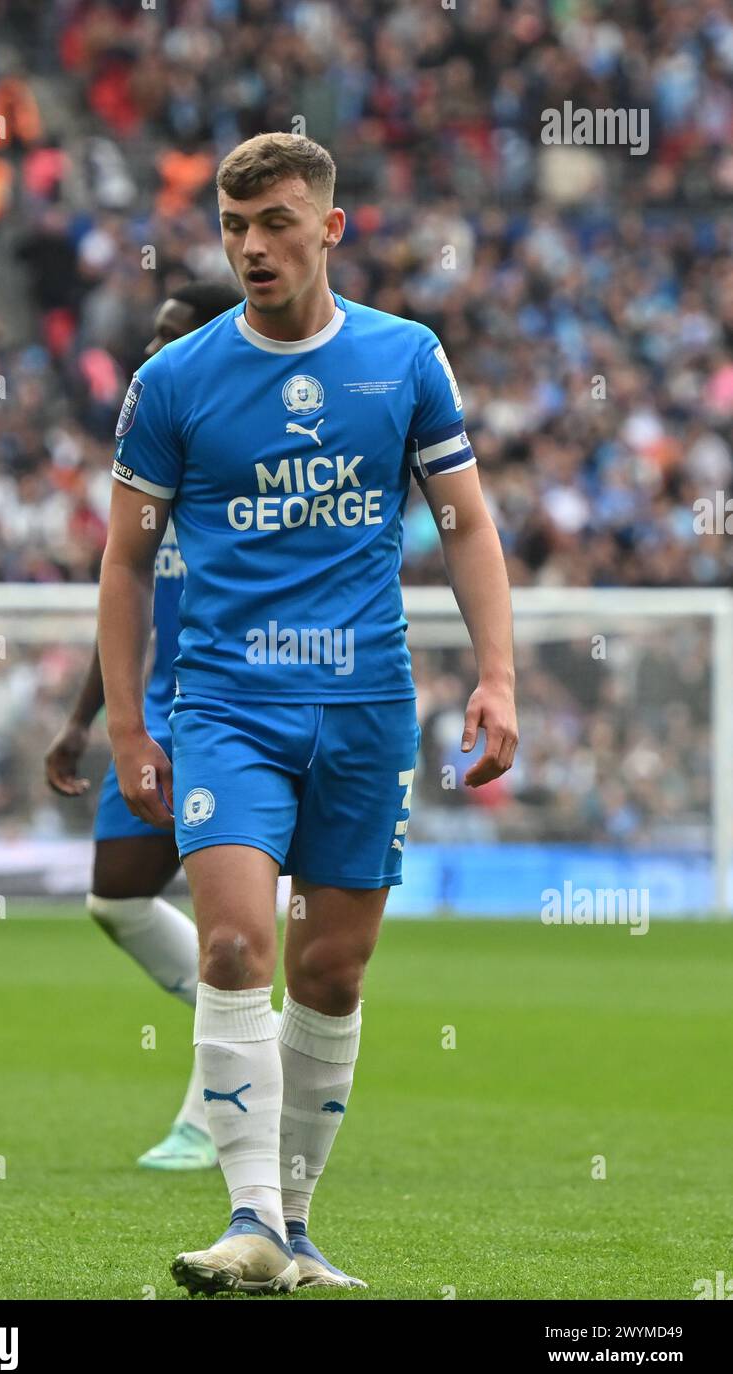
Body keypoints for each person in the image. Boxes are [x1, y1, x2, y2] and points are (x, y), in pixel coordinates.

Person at [98, 133, 518, 1294]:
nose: (251, 247)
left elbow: (468, 524)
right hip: (228, 705)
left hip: (368, 706)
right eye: (234, 228)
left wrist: (497, 675)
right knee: (234, 942)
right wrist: (130, 728)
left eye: (276, 222)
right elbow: (125, 565)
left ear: (329, 228)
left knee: (330, 970)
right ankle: (245, 1214)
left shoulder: (404, 359)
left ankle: (291, 1226)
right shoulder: (173, 382)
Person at [45, 281, 241, 1171]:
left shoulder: (239, 454)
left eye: (173, 334)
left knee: (223, 923)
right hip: (152, 713)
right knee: (116, 897)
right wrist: (86, 718)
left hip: (232, 710)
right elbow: (126, 596)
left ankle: (213, 1115)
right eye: (152, 334)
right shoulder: (151, 449)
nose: (153, 350)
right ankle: (253, 1030)